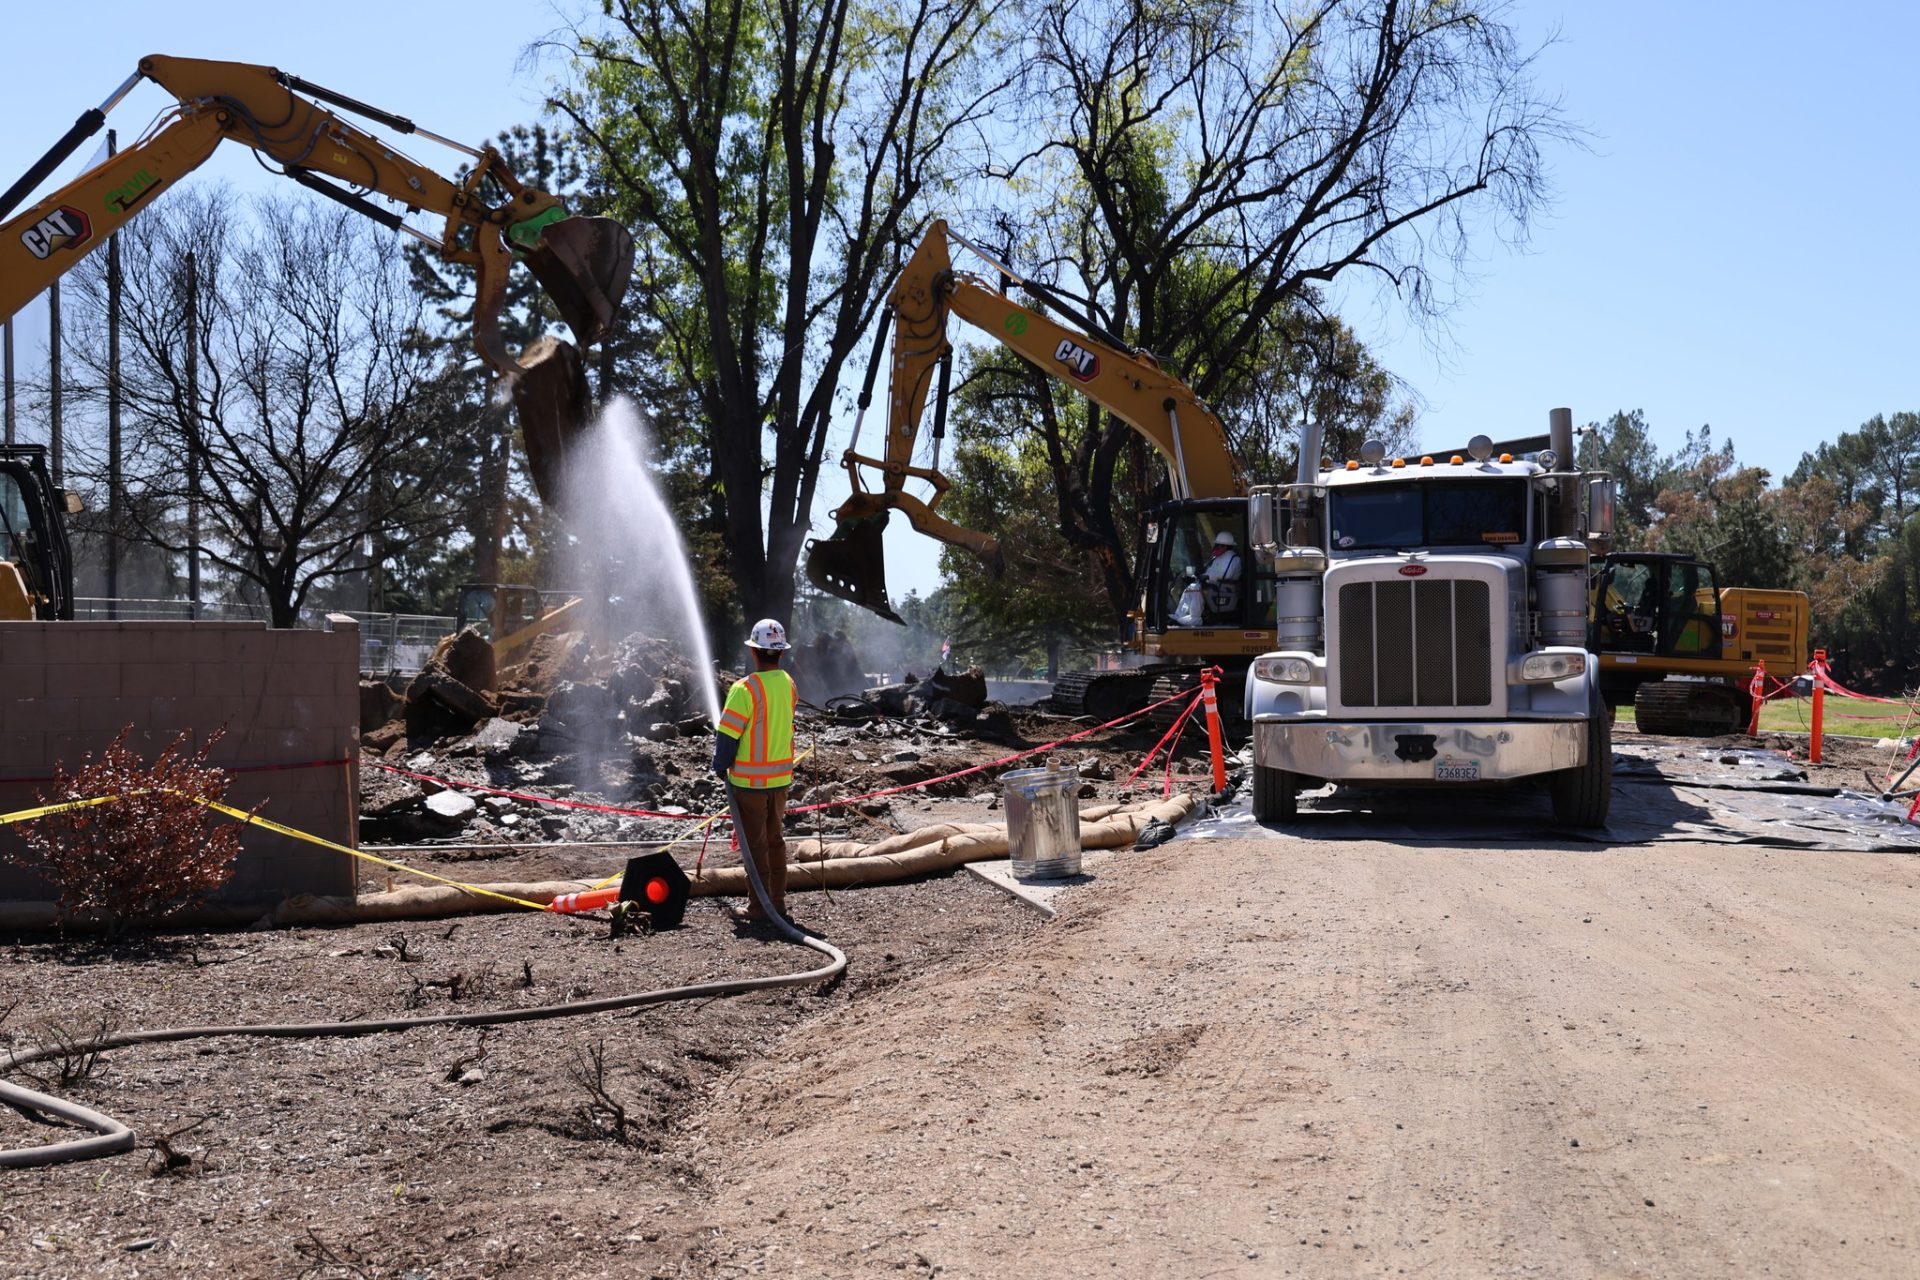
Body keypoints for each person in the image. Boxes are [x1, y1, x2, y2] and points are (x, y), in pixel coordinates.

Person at [713, 618, 798, 923]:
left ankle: (759, 908)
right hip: (780, 781)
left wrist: (719, 767)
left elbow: (727, 737)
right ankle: (777, 902)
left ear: (754, 652)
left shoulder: (744, 689)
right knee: (775, 841)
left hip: (749, 783)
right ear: (780, 653)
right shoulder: (788, 684)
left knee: (756, 846)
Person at [1173, 529, 1243, 625]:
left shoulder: (1234, 558)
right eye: (1217, 544)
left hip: (1225, 586)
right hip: (1213, 583)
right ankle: (1179, 615)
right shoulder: (1218, 557)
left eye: (1221, 545)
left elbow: (1227, 575)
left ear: (1227, 546)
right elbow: (1210, 571)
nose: (1218, 547)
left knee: (1195, 589)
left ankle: (1195, 617)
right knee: (1189, 588)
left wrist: (1207, 577)